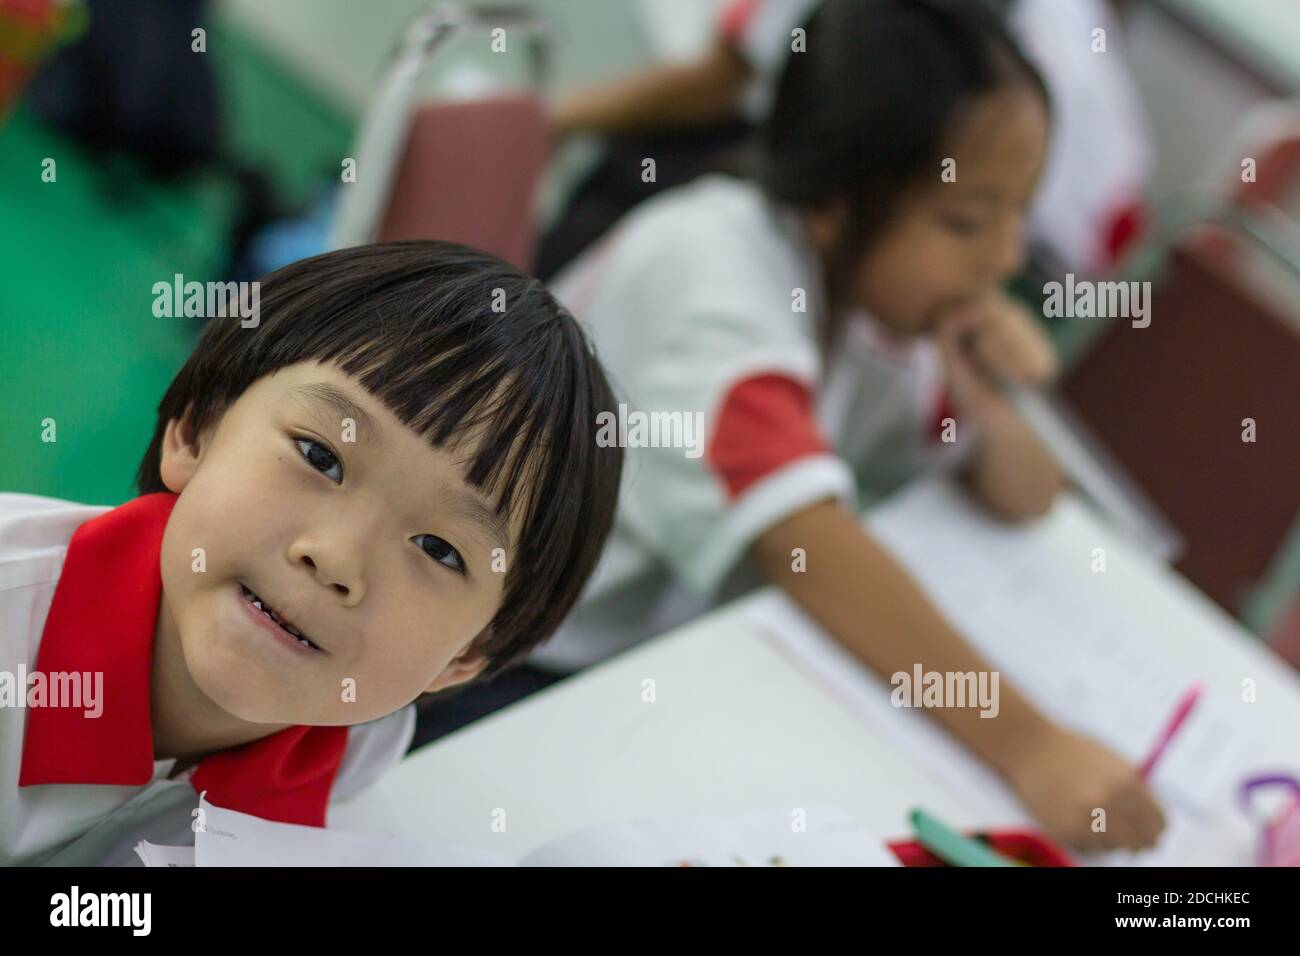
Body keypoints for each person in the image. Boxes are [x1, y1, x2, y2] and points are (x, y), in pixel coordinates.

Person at [0, 240, 622, 865]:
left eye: (438, 549)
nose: (337, 559)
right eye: (319, 457)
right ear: (193, 431)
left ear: (466, 655)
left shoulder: (354, 743)